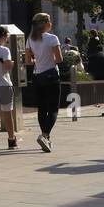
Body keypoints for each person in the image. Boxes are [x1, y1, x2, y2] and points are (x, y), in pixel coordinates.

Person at [26, 12, 63, 153]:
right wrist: (49, 60)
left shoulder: (30, 39)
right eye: (50, 21)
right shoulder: (52, 38)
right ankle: (45, 135)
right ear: (46, 24)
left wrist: (38, 60)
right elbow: (59, 59)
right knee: (53, 109)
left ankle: (46, 138)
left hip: (37, 76)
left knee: (42, 109)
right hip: (51, 75)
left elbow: (29, 61)